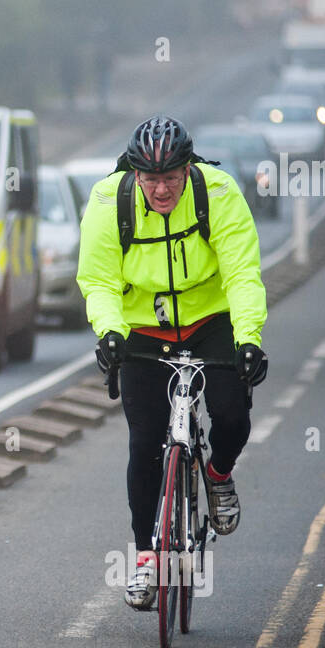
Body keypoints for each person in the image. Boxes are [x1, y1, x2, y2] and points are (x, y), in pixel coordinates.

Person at [78, 116, 268, 611]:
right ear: (134, 174)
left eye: (172, 178)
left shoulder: (220, 193)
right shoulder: (107, 203)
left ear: (189, 169)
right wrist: (110, 334)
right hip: (142, 330)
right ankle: (145, 557)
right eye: (151, 179)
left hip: (210, 320)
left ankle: (219, 475)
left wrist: (247, 339)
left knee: (231, 415)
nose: (162, 190)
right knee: (144, 442)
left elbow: (243, 274)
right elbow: (98, 280)